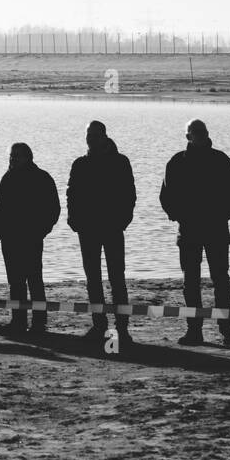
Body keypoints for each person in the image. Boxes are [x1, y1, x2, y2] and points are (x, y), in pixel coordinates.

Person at [160, 119, 230, 347]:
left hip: (215, 229)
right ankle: (194, 330)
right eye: (195, 132)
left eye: (203, 132)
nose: (200, 135)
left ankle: (227, 331)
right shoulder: (176, 162)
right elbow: (166, 196)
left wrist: (222, 215)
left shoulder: (221, 160)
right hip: (188, 231)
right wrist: (178, 215)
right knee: (191, 282)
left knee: (221, 281)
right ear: (188, 136)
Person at [67, 121, 136, 347]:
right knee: (93, 279)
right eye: (88, 134)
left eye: (95, 135)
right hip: (87, 229)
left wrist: (122, 221)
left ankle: (122, 328)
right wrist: (74, 220)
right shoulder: (80, 164)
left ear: (104, 136)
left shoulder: (120, 162)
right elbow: (72, 194)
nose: (91, 138)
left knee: (117, 279)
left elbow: (129, 194)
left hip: (112, 228)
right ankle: (99, 325)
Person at [0, 143, 61, 334]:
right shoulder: (8, 177)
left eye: (17, 155)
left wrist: (41, 230)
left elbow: (52, 209)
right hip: (10, 237)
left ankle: (38, 322)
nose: (13, 159)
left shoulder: (41, 178)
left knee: (34, 280)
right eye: (11, 156)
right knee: (16, 282)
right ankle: (19, 320)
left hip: (31, 237)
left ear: (27, 156)